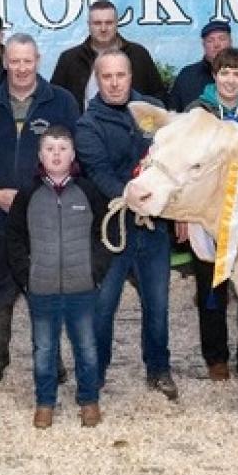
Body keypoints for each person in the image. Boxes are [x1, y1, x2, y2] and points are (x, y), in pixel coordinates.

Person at [0, 34, 80, 384]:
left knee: (46, 289)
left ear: (38, 59)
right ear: (4, 60)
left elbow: (75, 158)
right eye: (15, 61)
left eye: (28, 61)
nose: (22, 68)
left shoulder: (62, 102)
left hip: (45, 218)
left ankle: (51, 357)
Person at [76, 49, 178, 400]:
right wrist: (132, 198)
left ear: (131, 76)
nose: (115, 82)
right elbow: (99, 172)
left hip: (154, 228)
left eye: (121, 75)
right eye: (107, 76)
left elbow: (170, 160)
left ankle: (159, 369)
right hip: (111, 229)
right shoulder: (87, 125)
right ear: (98, 80)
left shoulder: (153, 114)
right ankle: (96, 371)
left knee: (158, 305)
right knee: (103, 307)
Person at [7, 126, 111, 428]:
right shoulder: (28, 194)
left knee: (87, 348)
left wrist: (96, 269)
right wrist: (26, 276)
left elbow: (107, 233)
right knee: (44, 348)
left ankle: (89, 400)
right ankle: (45, 402)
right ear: (40, 155)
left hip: (82, 287)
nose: (56, 154)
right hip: (42, 288)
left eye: (62, 148)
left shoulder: (89, 192)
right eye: (49, 148)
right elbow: (14, 238)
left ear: (73, 154)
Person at [179, 47, 238, 382]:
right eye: (224, 72)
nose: (230, 80)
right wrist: (182, 213)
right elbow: (184, 165)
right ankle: (215, 357)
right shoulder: (197, 112)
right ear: (214, 76)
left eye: (237, 73)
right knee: (211, 287)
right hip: (206, 214)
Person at [51, 0, 166, 110]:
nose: (103, 28)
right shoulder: (69, 59)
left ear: (117, 24)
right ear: (89, 25)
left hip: (132, 128)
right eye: (97, 23)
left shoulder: (139, 55)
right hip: (85, 128)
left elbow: (159, 97)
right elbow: (54, 101)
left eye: (109, 23)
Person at [168, 21, 238, 111]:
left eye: (222, 39)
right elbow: (173, 114)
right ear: (203, 45)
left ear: (231, 41)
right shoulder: (187, 76)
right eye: (210, 41)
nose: (217, 45)